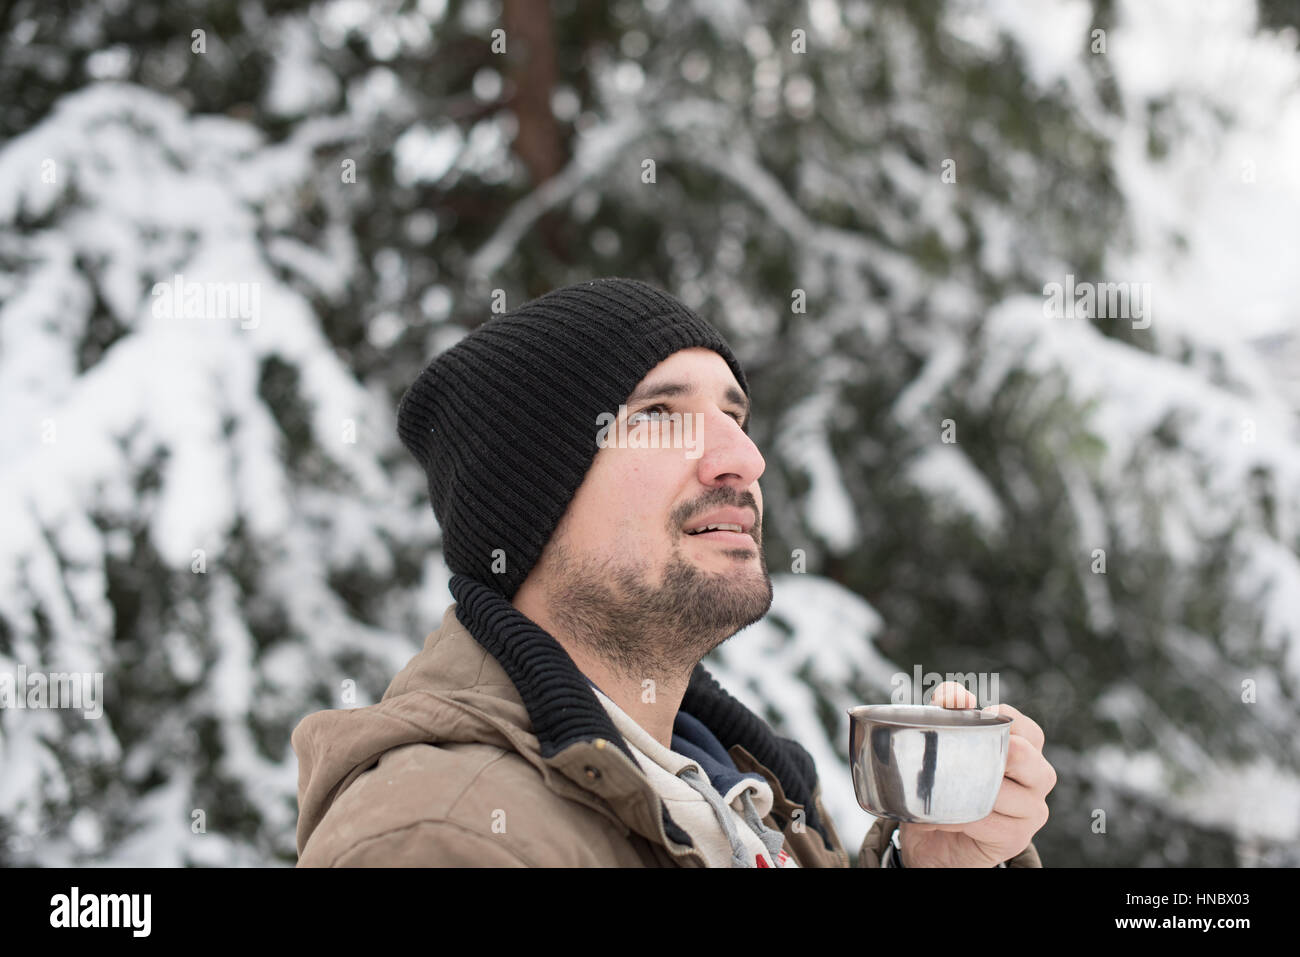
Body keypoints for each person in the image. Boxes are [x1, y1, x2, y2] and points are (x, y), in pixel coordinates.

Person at [292, 277, 1055, 867]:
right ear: (529, 502)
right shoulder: (447, 836)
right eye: (661, 414)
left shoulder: (747, 798)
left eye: (736, 417)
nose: (744, 459)